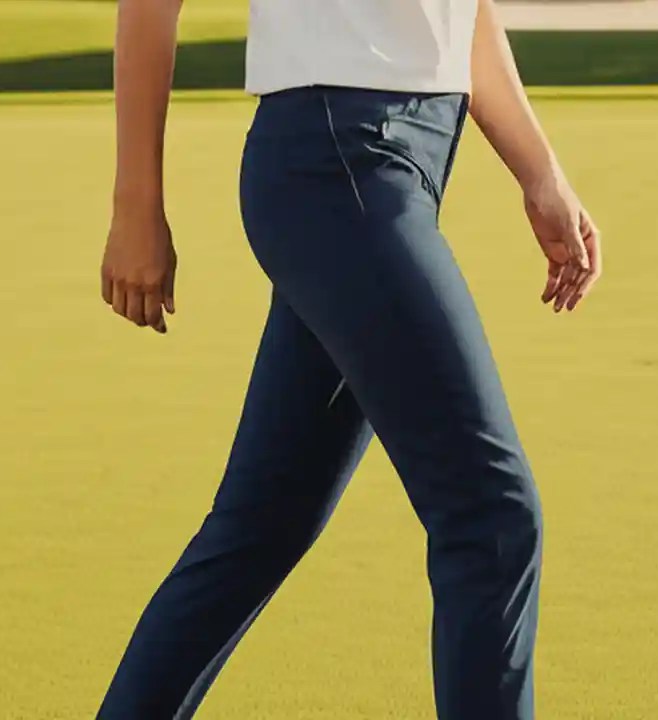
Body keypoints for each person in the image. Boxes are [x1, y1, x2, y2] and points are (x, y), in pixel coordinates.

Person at [95, 0, 602, 717]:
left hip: (390, 165)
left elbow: (464, 13)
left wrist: (540, 171)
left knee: (261, 527)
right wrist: (136, 205)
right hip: (338, 164)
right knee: (490, 515)